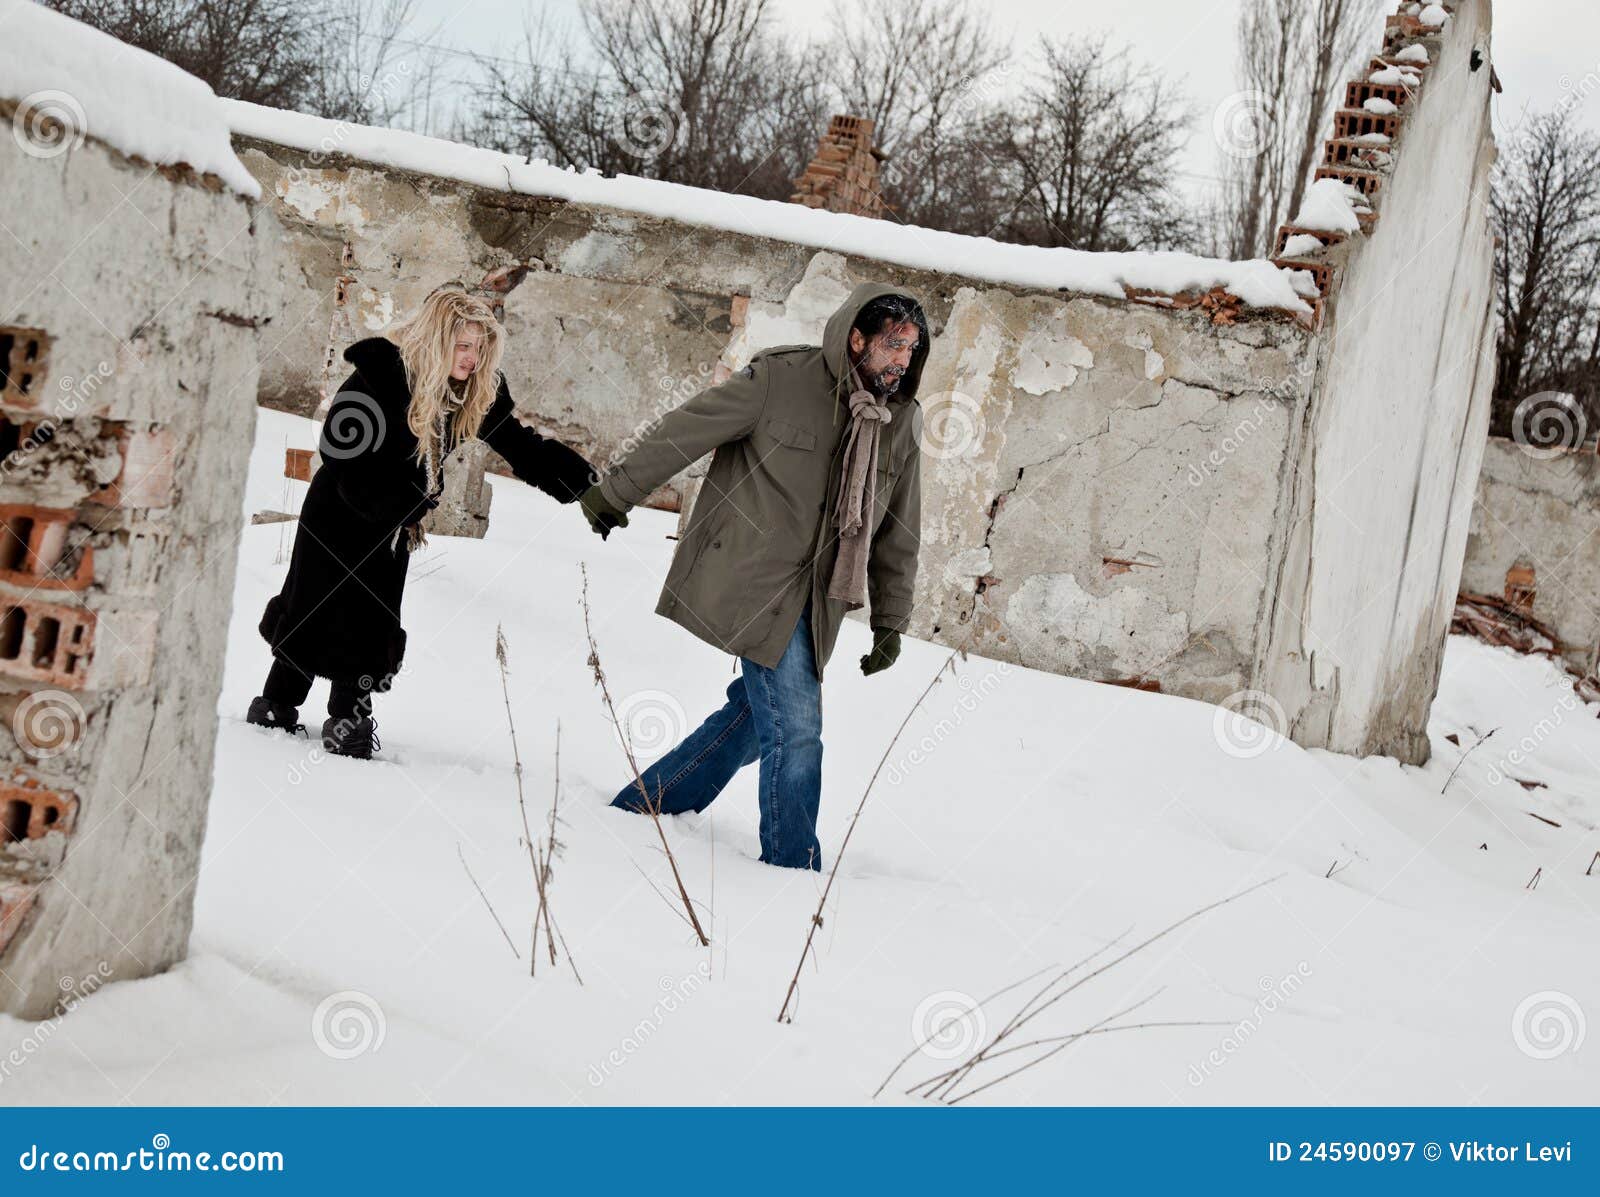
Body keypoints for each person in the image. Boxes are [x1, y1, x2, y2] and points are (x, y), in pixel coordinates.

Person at [580, 283, 928, 870]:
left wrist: (891, 619)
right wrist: (616, 492)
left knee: (750, 721)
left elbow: (898, 524)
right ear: (856, 338)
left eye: (912, 349)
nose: (902, 360)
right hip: (756, 582)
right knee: (796, 728)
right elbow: (685, 429)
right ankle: (793, 867)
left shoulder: (901, 420)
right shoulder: (781, 380)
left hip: (820, 601)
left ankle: (651, 802)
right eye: (893, 344)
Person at [250, 286, 595, 759]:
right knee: (313, 605)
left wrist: (586, 486)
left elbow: (522, 447)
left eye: (480, 348)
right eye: (463, 346)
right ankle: (275, 707)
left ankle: (346, 722)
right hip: (340, 511)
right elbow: (339, 448)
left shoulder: (471, 393)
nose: (473, 358)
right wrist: (395, 502)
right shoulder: (382, 375)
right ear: (437, 339)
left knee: (373, 618)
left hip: (392, 527)